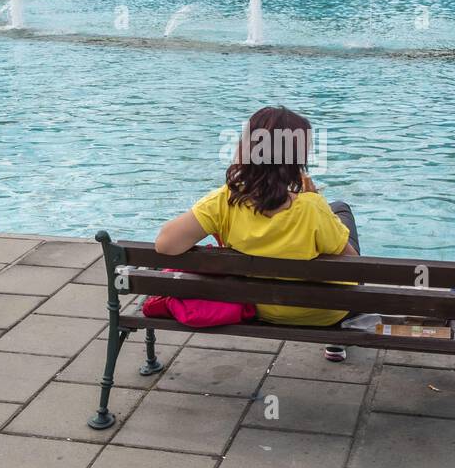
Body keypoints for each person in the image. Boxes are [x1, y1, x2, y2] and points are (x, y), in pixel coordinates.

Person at [155, 105, 361, 362]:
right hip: (324, 312)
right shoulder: (311, 207)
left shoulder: (224, 201)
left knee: (335, 214)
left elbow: (165, 244)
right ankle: (336, 340)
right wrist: (317, 204)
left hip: (258, 307)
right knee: (341, 210)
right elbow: (355, 268)